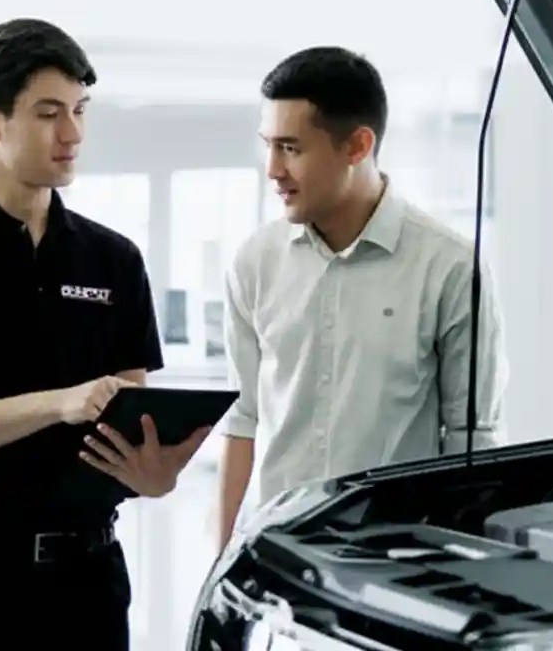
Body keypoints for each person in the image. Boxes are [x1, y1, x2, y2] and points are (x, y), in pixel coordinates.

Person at [0, 18, 209, 650]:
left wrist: (154, 474)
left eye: (80, 110)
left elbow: (128, 435)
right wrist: (56, 403)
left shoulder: (114, 260)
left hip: (89, 583)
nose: (73, 134)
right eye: (49, 113)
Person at [217, 46, 509, 548]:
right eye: (268, 145)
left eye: (290, 148)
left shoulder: (451, 267)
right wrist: (221, 563)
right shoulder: (254, 261)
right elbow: (241, 422)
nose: (272, 169)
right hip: (275, 554)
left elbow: (471, 441)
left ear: (357, 145)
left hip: (395, 561)